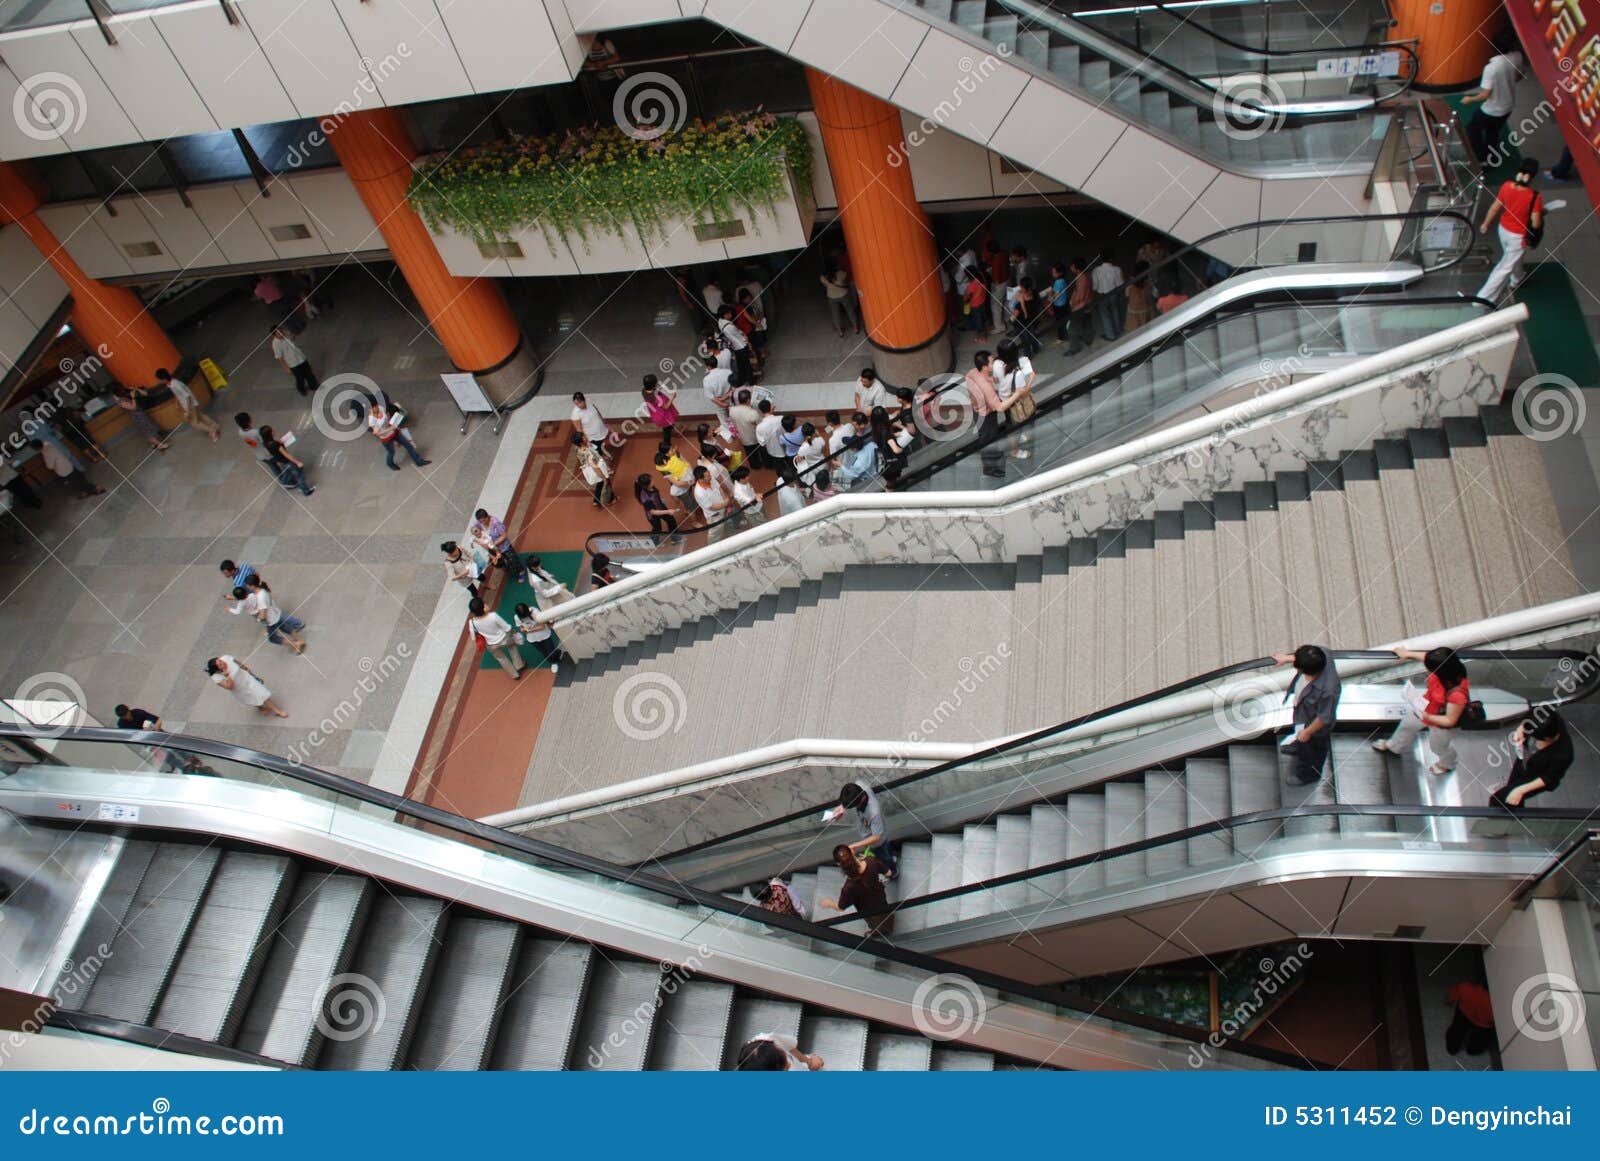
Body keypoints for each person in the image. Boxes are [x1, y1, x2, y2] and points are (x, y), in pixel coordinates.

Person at [1373, 646, 1470, 774]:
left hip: (1439, 723)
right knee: (1407, 725)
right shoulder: (1446, 668)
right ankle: (1395, 746)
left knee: (1438, 746)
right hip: (1424, 708)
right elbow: (1428, 658)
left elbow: (1450, 720)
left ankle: (1447, 763)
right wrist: (1407, 654)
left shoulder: (1457, 694)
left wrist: (1427, 717)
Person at [1270, 645, 1341, 786]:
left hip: (1314, 727)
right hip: (1303, 714)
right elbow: (1310, 655)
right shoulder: (1322, 654)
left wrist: (1308, 732)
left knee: (1313, 751)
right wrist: (1288, 658)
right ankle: (1298, 745)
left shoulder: (1328, 691)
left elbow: (1324, 717)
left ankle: (1309, 775)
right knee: (1301, 737)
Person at [1477, 158, 1543, 303]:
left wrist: (1485, 223)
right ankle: (1483, 298)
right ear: (1533, 176)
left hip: (1503, 229)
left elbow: (1495, 207)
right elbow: (1536, 223)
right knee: (1504, 267)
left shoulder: (1506, 186)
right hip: (1518, 237)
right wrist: (1539, 214)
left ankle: (1517, 278)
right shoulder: (1534, 197)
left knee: (1513, 258)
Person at [1490, 711, 1573, 808]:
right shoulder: (1550, 719)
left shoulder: (1563, 754)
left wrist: (1520, 790)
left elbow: (1549, 778)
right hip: (1527, 761)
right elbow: (1528, 721)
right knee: (1512, 787)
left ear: (1546, 738)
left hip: (1536, 776)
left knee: (1502, 798)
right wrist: (1520, 730)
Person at [1462, 47, 1523, 169]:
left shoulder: (1491, 68)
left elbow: (1485, 94)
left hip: (1492, 110)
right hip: (1508, 106)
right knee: (1493, 132)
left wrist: (1469, 99)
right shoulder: (1517, 56)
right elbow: (1519, 76)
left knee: (1473, 129)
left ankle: (1480, 159)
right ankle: (1491, 157)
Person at [818, 844, 895, 937]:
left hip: (867, 910)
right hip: (881, 899)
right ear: (852, 853)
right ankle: (885, 924)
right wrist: (868, 859)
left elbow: (840, 907)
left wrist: (829, 903)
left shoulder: (849, 887)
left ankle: (879, 932)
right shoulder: (871, 861)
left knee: (875, 922)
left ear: (839, 864)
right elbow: (889, 873)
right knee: (883, 912)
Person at [826, 780, 896, 877]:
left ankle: (893, 872)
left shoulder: (874, 813)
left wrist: (855, 845)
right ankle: (890, 859)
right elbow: (853, 795)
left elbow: (877, 837)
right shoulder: (858, 786)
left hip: (877, 842)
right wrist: (843, 806)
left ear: (861, 800)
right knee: (885, 852)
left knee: (884, 856)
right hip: (870, 833)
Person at [991, 337, 1036, 461]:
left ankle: (1018, 438)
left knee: (1011, 422)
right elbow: (1023, 391)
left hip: (1003, 399)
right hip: (1014, 403)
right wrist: (1031, 378)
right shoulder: (1018, 373)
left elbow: (995, 381)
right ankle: (1014, 451)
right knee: (1016, 426)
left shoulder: (995, 364)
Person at [966, 349, 1006, 480]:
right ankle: (989, 469)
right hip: (986, 415)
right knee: (988, 440)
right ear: (984, 367)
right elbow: (999, 407)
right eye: (992, 362)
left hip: (977, 410)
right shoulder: (985, 386)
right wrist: (1017, 394)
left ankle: (991, 457)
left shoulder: (972, 373)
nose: (994, 364)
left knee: (986, 437)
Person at [241, 575, 306, 654]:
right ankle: (298, 642)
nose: (247, 587)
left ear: (252, 586)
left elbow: (263, 616)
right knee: (287, 628)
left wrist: (258, 619)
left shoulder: (260, 598)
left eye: (247, 585)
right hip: (276, 613)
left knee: (273, 638)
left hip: (271, 620)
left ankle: (296, 644)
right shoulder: (262, 590)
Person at [206, 655, 287, 717]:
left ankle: (277, 711)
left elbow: (239, 664)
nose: (222, 662)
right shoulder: (216, 677)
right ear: (217, 669)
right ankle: (260, 707)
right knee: (252, 699)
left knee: (263, 694)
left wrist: (251, 672)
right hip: (239, 689)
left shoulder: (226, 657)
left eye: (220, 660)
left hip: (248, 680)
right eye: (220, 664)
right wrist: (227, 676)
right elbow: (229, 687)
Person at [155, 368, 219, 441]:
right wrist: (177, 403)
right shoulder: (170, 384)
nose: (158, 381)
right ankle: (215, 425)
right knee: (200, 416)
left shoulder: (175, 384)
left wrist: (188, 411)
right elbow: (178, 394)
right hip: (191, 402)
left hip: (189, 404)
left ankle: (212, 431)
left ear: (164, 379)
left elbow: (187, 396)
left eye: (159, 379)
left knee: (195, 423)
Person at [468, 596, 524, 678]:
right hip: (505, 638)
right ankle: (519, 665)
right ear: (483, 607)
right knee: (512, 648)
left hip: (491, 644)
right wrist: (514, 633)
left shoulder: (472, 622)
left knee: (501, 659)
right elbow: (507, 627)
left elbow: (473, 637)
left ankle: (514, 675)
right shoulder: (493, 616)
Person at [29, 439, 104, 499]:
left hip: (63, 470)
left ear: (36, 448)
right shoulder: (48, 443)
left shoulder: (45, 453)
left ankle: (96, 488)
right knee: (79, 478)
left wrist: (44, 460)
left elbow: (50, 466)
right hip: (67, 464)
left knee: (76, 483)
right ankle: (86, 491)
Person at [368, 401, 429, 471]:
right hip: (386, 439)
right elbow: (377, 433)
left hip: (394, 432)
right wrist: (390, 429)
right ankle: (390, 464)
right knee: (391, 452)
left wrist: (394, 425)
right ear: (371, 408)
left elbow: (386, 419)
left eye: (377, 405)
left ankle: (419, 461)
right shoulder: (372, 420)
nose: (377, 407)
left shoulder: (380, 408)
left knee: (408, 445)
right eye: (375, 407)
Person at [471, 509, 527, 584]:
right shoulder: (478, 523)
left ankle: (521, 571)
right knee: (497, 563)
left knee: (513, 560)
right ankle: (507, 568)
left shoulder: (496, 523)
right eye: (480, 521)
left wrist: (494, 543)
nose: (482, 523)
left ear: (487, 517)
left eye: (484, 520)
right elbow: (474, 530)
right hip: (491, 549)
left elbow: (504, 535)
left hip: (503, 546)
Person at [511, 602, 566, 673]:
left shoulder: (535, 612)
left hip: (544, 635)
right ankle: (554, 660)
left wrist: (529, 630)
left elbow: (542, 626)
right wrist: (523, 629)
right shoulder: (517, 617)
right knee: (543, 651)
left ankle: (555, 659)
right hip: (532, 639)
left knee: (550, 650)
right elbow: (521, 627)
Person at [259, 425, 314, 496]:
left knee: (288, 472)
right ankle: (305, 491)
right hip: (287, 462)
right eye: (272, 430)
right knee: (299, 475)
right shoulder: (276, 444)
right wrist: (298, 462)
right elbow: (286, 455)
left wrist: (279, 444)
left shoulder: (265, 443)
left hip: (281, 462)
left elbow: (270, 453)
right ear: (270, 434)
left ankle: (286, 483)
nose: (273, 430)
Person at [1444, 980, 1495, 1056]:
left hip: (1464, 1013)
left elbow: (1451, 997)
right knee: (1477, 1044)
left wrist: (1449, 1001)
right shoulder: (1496, 1006)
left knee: (1455, 1034)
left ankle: (1452, 1048)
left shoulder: (1465, 988)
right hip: (1484, 1023)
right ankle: (1472, 1050)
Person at [114, 387, 171, 451]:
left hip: (140, 415)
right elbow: (133, 408)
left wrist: (135, 389)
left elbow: (145, 394)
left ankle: (154, 444)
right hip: (138, 417)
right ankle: (160, 445)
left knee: (149, 428)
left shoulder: (123, 398)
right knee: (148, 431)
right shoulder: (121, 401)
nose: (123, 391)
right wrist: (133, 397)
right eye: (121, 391)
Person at [734, 1033, 824, 1071]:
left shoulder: (768, 1038)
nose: (789, 1064)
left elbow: (789, 1047)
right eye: (783, 1068)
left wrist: (809, 1061)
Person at [271, 325, 318, 396]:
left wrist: (293, 335)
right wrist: (286, 368)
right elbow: (279, 357)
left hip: (301, 358)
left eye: (281, 331)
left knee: (309, 373)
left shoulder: (286, 334)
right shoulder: (275, 344)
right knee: (300, 378)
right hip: (293, 363)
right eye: (278, 333)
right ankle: (301, 389)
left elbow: (292, 338)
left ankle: (313, 386)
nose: (281, 333)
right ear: (274, 335)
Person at [1090, 248, 1125, 341]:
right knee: (1115, 311)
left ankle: (1110, 335)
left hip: (1102, 295)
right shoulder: (1117, 269)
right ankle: (1118, 330)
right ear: (1112, 258)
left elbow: (1094, 287)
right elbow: (1120, 284)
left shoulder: (1096, 270)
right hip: (1114, 294)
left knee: (1105, 315)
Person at [1061, 257, 1093, 353]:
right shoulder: (1086, 275)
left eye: (1072, 266)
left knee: (1072, 328)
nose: (1070, 267)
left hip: (1081, 306)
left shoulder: (1081, 279)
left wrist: (1072, 302)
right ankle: (1088, 339)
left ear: (1076, 268)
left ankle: (1074, 348)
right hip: (1088, 303)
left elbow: (1080, 296)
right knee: (1087, 322)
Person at [716, 305, 755, 384]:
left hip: (735, 347)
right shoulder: (730, 326)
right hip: (741, 346)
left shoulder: (720, 322)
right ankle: (751, 381)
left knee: (740, 365)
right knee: (747, 364)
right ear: (725, 315)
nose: (731, 315)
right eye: (729, 313)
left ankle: (742, 379)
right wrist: (748, 342)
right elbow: (740, 336)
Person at [573, 434, 613, 507]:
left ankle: (596, 501)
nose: (586, 437)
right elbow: (596, 468)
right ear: (581, 442)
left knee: (599, 483)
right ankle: (610, 499)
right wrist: (604, 477)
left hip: (588, 468)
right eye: (584, 437)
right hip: (597, 469)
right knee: (607, 483)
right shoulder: (589, 453)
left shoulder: (577, 448)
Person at [820, 266, 860, 337]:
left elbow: (824, 284)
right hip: (843, 295)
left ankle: (840, 331)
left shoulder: (824, 277)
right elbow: (847, 280)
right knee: (850, 310)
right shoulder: (841, 273)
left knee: (835, 313)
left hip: (831, 296)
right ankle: (855, 328)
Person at [569, 392, 611, 458]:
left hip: (600, 430)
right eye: (576, 404)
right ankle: (601, 456)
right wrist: (586, 441)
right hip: (591, 436)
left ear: (584, 400)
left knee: (600, 442)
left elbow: (597, 412)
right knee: (596, 449)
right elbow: (579, 430)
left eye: (580, 402)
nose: (579, 405)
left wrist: (604, 422)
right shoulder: (575, 414)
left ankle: (601, 448)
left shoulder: (589, 402)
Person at [728, 388, 762, 465]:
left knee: (750, 453)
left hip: (743, 436)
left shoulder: (732, 410)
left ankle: (754, 465)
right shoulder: (753, 413)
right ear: (748, 400)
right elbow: (760, 424)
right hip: (754, 436)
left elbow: (733, 422)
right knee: (759, 450)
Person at [641, 374, 678, 440]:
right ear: (653, 386)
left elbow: (652, 391)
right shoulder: (657, 398)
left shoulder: (644, 390)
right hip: (663, 416)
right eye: (656, 383)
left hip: (656, 413)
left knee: (667, 427)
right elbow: (666, 407)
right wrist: (672, 397)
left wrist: (657, 388)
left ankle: (670, 428)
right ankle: (666, 445)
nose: (657, 384)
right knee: (667, 431)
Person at [701, 355, 735, 428]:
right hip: (730, 397)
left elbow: (711, 396)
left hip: (718, 401)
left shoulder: (706, 379)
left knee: (724, 421)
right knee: (735, 416)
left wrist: (722, 404)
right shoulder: (728, 372)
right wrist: (727, 396)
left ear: (708, 366)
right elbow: (733, 386)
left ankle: (730, 434)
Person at [755, 399, 785, 472]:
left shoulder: (759, 427)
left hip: (773, 451)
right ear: (771, 407)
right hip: (786, 447)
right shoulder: (781, 418)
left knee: (779, 468)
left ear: (761, 411)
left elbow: (763, 443)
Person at [1123, 261, 1154, 332]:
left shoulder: (1130, 283)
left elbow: (1126, 294)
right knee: (1146, 329)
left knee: (1134, 331)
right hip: (1145, 308)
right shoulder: (1148, 282)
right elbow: (1151, 293)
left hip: (1133, 309)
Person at [961, 266, 989, 338]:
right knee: (982, 317)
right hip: (982, 301)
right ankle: (985, 330)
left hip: (975, 305)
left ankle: (982, 337)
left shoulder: (972, 284)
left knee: (978, 320)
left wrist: (965, 295)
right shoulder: (981, 275)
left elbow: (965, 297)